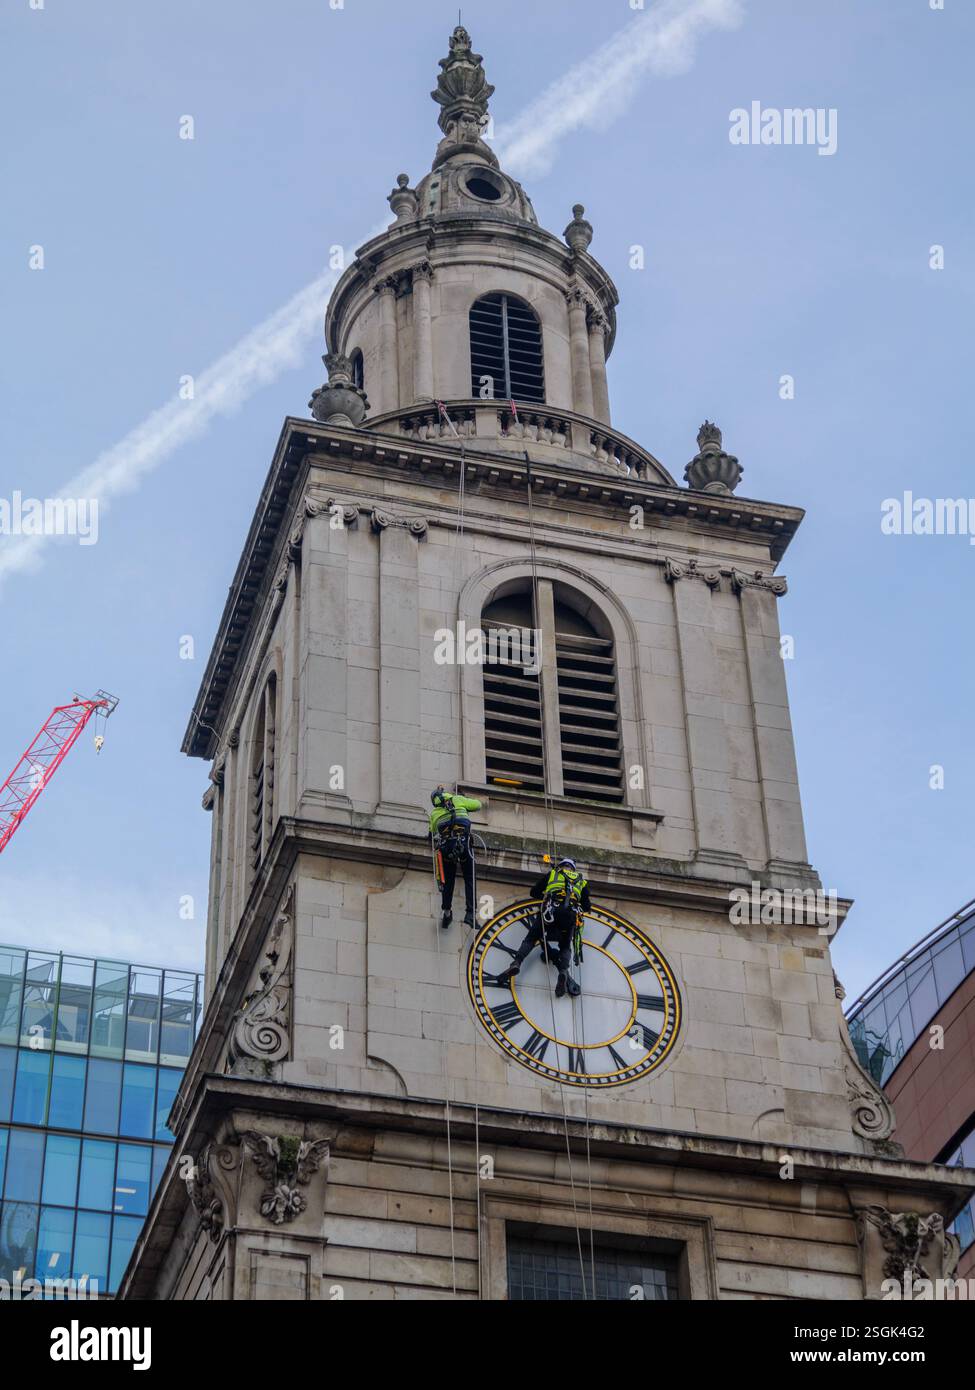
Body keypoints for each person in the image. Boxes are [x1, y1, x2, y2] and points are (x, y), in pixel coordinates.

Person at [494, 857, 590, 998]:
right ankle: (563, 971)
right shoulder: (582, 881)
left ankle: (516, 963)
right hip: (569, 916)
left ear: (561, 866)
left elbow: (534, 892)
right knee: (565, 947)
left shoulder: (553, 874)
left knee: (531, 938)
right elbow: (587, 907)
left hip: (550, 912)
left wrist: (546, 895)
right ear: (573, 868)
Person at [429, 786, 482, 929]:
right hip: (463, 845)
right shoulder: (458, 799)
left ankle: (447, 912)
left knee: (448, 881)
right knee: (470, 877)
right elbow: (478, 805)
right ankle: (470, 914)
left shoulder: (434, 813)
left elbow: (432, 832)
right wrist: (465, 801)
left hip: (447, 848)